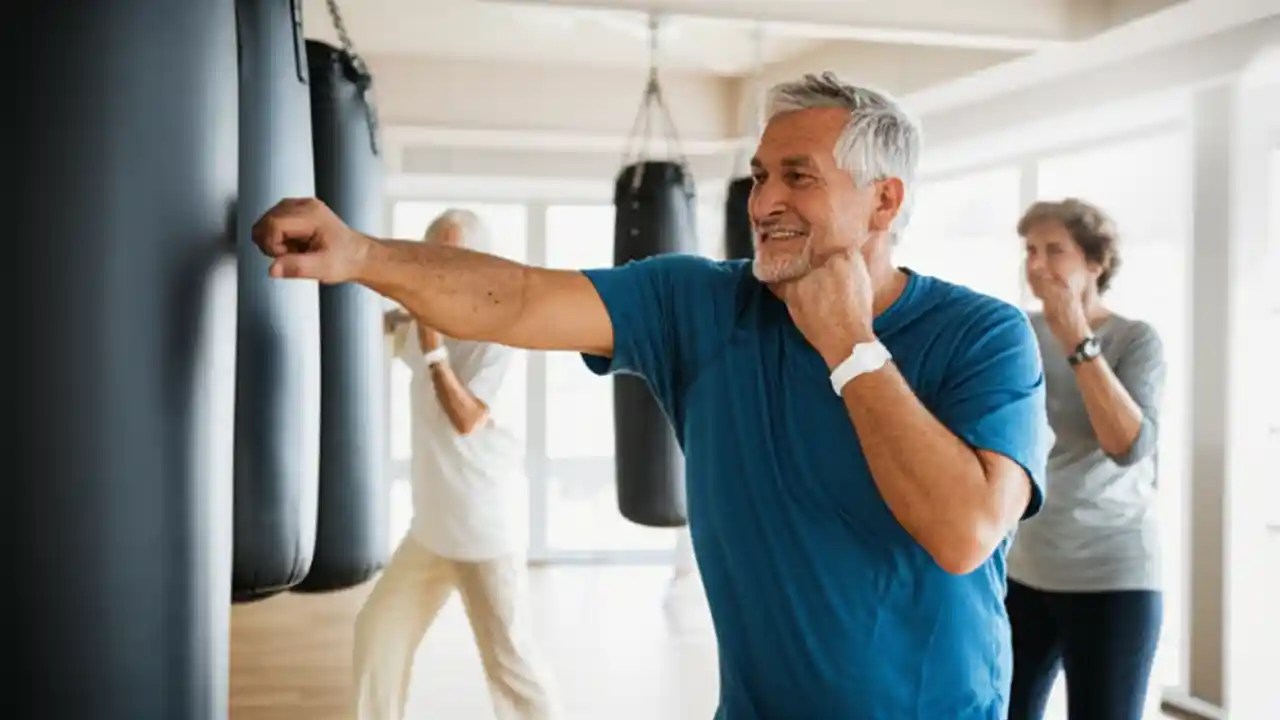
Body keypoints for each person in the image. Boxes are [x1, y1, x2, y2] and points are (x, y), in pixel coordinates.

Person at [253, 71, 1053, 718]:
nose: (764, 201)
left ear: (885, 201)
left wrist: (850, 346)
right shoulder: (698, 304)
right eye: (760, 176)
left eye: (798, 177)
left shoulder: (982, 335)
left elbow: (963, 533)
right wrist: (360, 254)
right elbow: (522, 298)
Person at [354, 209, 560, 720]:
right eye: (438, 258)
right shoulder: (424, 324)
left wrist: (432, 352)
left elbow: (465, 419)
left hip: (483, 531)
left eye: (458, 256)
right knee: (377, 634)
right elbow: (377, 325)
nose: (448, 268)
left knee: (512, 665)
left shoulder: (497, 337)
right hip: (429, 532)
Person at [1005, 199, 1166, 720]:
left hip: (1111, 575)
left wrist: (1077, 335)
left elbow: (1128, 445)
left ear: (1095, 262)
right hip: (1024, 567)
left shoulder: (1134, 339)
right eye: (1031, 250)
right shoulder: (1018, 332)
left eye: (1055, 250)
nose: (1037, 263)